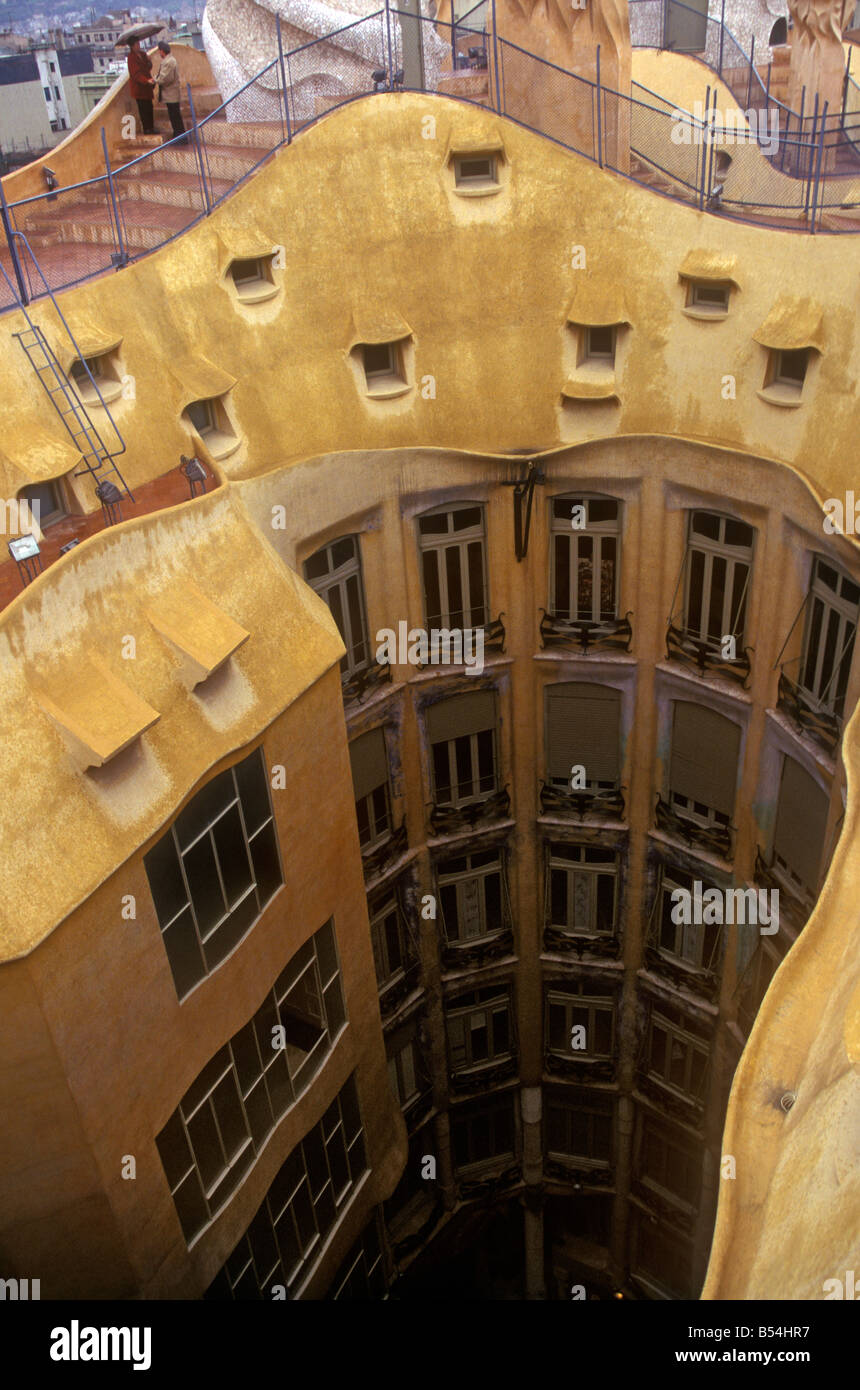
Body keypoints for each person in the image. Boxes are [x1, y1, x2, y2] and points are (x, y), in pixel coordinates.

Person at [155, 40, 187, 145]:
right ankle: (178, 136)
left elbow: (164, 78)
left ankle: (180, 138)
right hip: (171, 94)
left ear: (162, 51)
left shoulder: (169, 62)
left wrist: (155, 80)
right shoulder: (170, 60)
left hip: (171, 94)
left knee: (175, 116)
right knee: (175, 116)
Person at [127, 37, 156, 135]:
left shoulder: (143, 55)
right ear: (132, 46)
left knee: (149, 107)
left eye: (139, 44)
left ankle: (151, 127)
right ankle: (147, 128)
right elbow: (135, 74)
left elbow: (148, 67)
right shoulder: (131, 58)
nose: (138, 46)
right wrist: (146, 80)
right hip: (139, 88)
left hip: (147, 87)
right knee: (143, 108)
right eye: (136, 44)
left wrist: (149, 61)